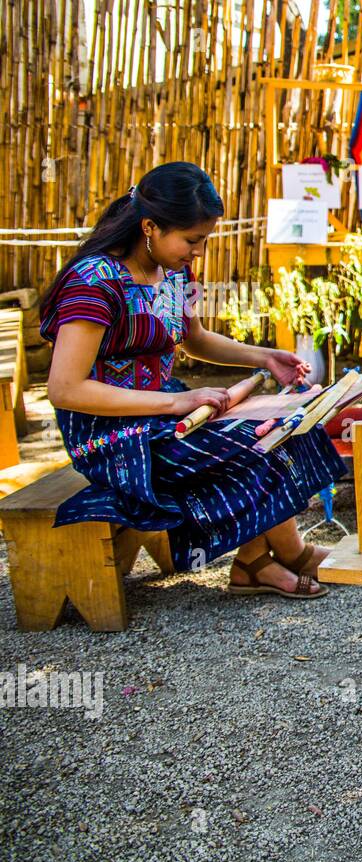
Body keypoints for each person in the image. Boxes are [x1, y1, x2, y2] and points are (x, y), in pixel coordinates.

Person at [39, 162, 346, 599]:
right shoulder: (93, 283)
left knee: (279, 427)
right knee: (249, 442)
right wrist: (175, 404)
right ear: (150, 227)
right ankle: (274, 559)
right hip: (109, 435)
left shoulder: (177, 273)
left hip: (165, 415)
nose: (197, 252)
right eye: (192, 240)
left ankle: (262, 562)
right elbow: (65, 389)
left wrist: (265, 357)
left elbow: (195, 338)